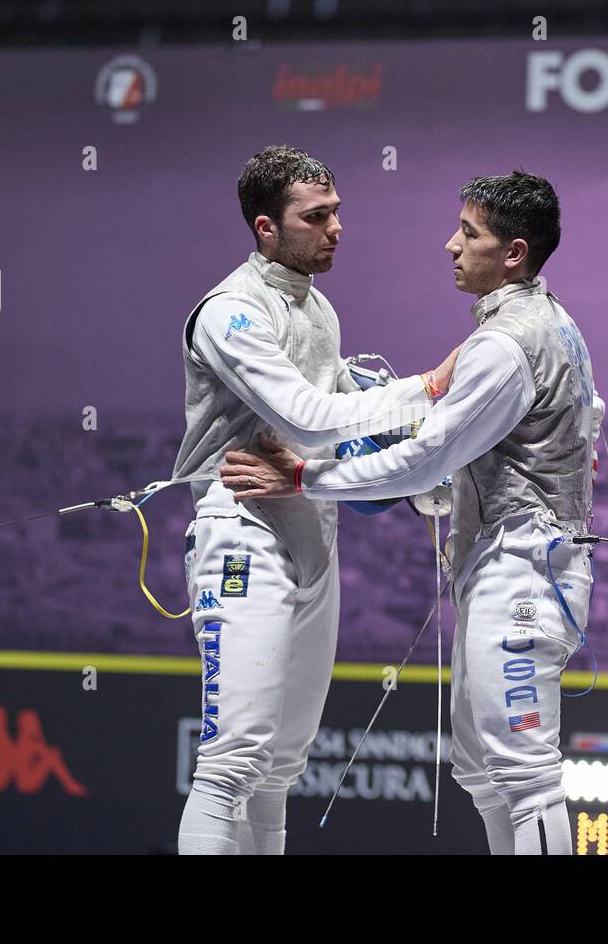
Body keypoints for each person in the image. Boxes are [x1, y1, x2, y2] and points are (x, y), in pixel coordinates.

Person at [221, 170, 605, 855]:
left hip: (523, 577)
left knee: (522, 771)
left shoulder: (507, 343)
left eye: (470, 233)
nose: (451, 245)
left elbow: (425, 458)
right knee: (482, 770)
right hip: (508, 568)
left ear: (513, 253)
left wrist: (307, 476)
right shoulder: (547, 322)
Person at [173, 145, 462, 854]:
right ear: (266, 227)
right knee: (232, 761)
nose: (336, 228)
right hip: (242, 534)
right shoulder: (230, 313)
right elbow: (303, 417)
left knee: (278, 771)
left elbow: (337, 427)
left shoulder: (321, 311)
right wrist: (424, 388)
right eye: (316, 216)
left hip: (312, 540)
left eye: (337, 212)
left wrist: (418, 459)